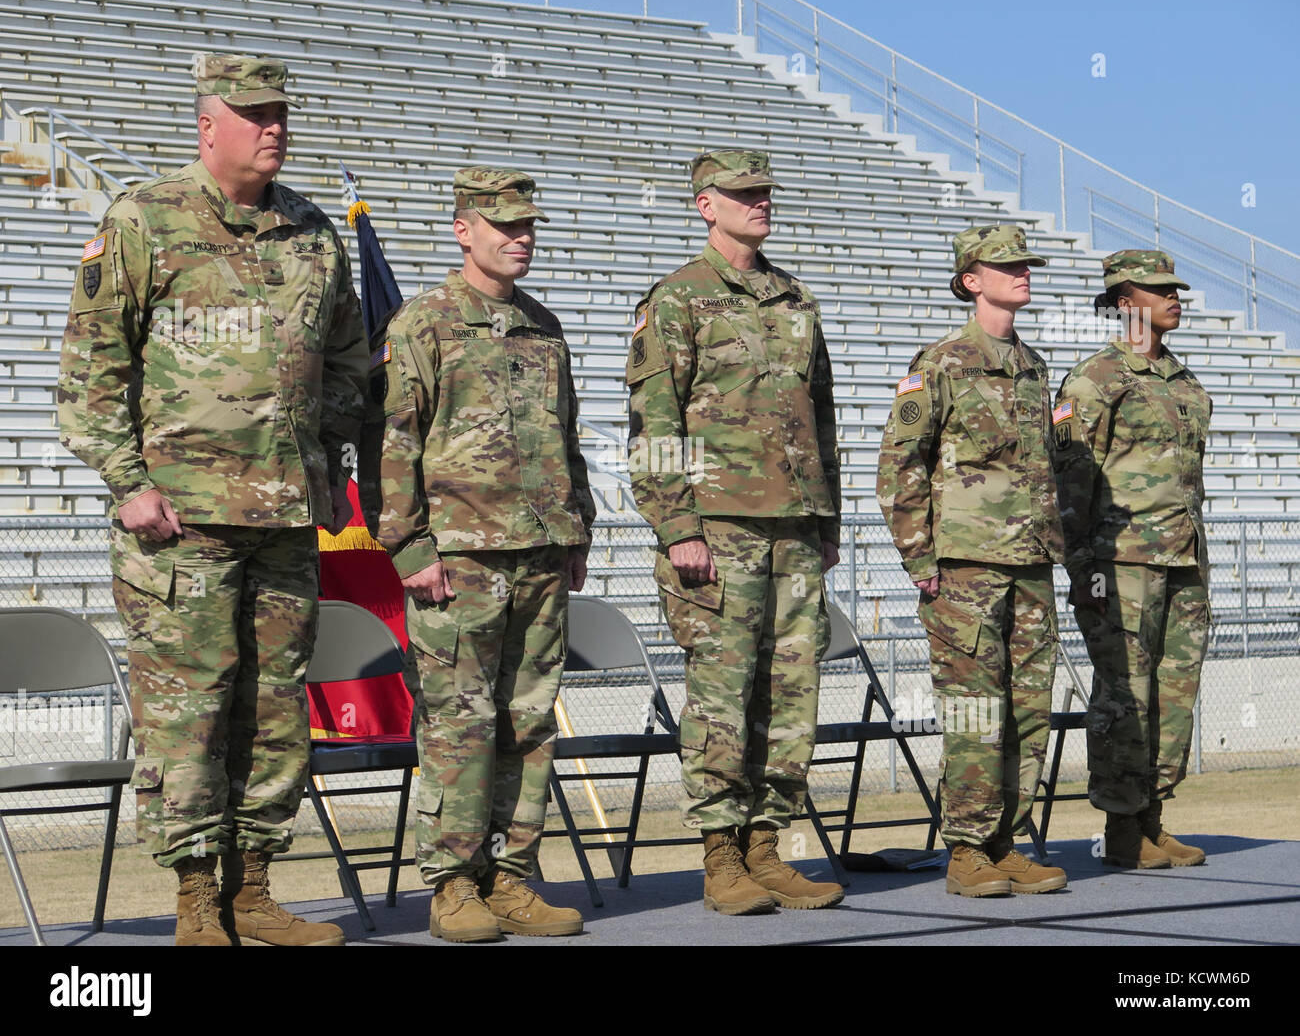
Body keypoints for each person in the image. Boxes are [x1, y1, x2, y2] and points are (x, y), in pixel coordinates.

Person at [58, 54, 367, 945]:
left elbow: (347, 355)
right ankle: (196, 897)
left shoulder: (312, 231)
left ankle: (254, 888)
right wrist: (130, 482)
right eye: (255, 112)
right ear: (208, 124)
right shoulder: (144, 220)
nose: (275, 126)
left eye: (281, 112)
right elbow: (90, 371)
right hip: (179, 523)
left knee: (276, 710)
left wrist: (323, 452)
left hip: (286, 518)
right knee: (190, 712)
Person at [360, 167, 595, 942]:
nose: (520, 239)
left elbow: (567, 440)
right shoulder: (421, 324)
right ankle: (454, 883)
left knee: (528, 725)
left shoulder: (544, 326)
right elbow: (390, 442)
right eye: (505, 227)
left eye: (528, 227)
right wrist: (408, 544)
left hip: (540, 552)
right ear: (464, 229)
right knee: (460, 725)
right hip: (456, 559)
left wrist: (578, 531)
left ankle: (513, 876)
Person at [626, 149, 843, 915]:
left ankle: (766, 846)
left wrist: (828, 520)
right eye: (743, 194)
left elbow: (821, 417)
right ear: (704, 205)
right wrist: (677, 524)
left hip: (794, 526)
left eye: (765, 193)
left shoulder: (795, 298)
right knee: (721, 697)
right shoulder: (679, 298)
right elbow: (654, 422)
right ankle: (720, 856)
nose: (761, 203)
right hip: (717, 530)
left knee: (792, 694)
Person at [876, 223, 1067, 897]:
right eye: (1007, 265)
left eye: (1026, 264)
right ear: (971, 278)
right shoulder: (942, 362)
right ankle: (965, 849)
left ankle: (1006, 841)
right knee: (972, 710)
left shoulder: (1035, 368)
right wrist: (918, 555)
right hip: (964, 567)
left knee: (1029, 710)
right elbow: (900, 464)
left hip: (1031, 564)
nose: (1023, 273)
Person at [1054, 250, 1211, 870]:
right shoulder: (1094, 380)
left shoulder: (1185, 382)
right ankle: (1121, 827)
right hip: (1120, 564)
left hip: (1183, 559)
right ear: (1124, 302)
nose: (1175, 297)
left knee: (1176, 695)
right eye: (1159, 289)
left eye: (1177, 287)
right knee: (1125, 694)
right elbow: (1070, 486)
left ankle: (1152, 818)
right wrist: (1083, 571)